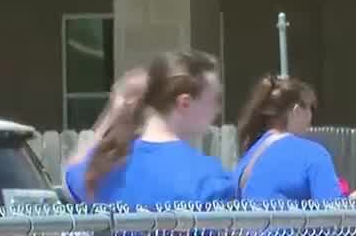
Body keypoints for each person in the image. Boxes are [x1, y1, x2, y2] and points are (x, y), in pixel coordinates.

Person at [64, 50, 233, 206]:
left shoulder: (101, 167)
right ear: (185, 103)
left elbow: (71, 175)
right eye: (215, 100)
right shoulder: (210, 180)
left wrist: (114, 113)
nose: (218, 109)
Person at [232, 75, 342, 202]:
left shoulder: (246, 160)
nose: (311, 120)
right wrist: (353, 205)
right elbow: (335, 215)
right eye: (310, 108)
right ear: (297, 111)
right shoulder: (313, 155)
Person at [62, 67, 147, 176]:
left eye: (114, 94)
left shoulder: (131, 148)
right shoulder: (155, 143)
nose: (111, 98)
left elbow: (72, 172)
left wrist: (110, 118)